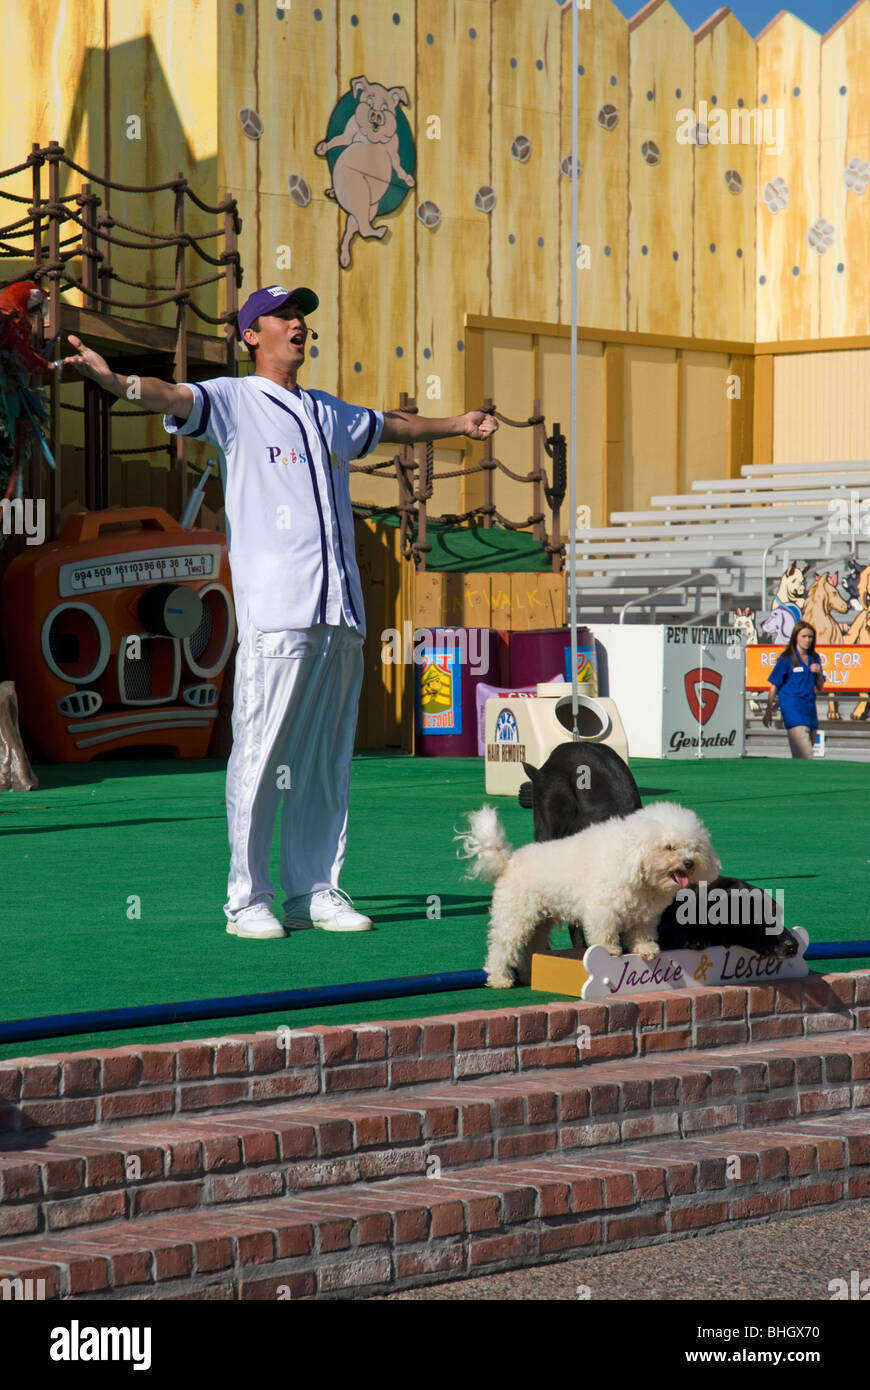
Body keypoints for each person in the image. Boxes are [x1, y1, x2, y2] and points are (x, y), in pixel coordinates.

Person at [62, 283, 498, 938]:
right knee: (262, 755)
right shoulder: (234, 402)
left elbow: (391, 426)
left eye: (302, 317)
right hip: (278, 612)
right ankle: (247, 901)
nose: (298, 325)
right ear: (251, 334)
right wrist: (117, 381)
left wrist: (458, 424)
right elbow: (172, 397)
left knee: (324, 761)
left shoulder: (325, 412)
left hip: (339, 615)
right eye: (284, 316)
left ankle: (315, 890)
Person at [762, 619, 825, 758]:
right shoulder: (787, 658)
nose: (807, 640)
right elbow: (774, 685)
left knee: (803, 755)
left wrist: (819, 672)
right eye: (804, 636)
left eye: (810, 637)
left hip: (809, 709)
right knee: (806, 755)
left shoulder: (814, 658)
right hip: (793, 709)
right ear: (796, 637)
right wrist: (768, 710)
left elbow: (820, 686)